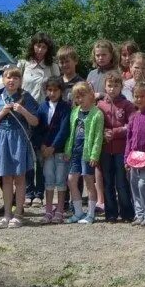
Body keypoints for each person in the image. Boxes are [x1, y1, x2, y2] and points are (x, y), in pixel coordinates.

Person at [0, 66, 37, 228]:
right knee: (6, 178)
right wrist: (2, 112)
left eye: (16, 78)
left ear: (20, 81)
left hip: (18, 138)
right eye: (9, 77)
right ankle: (7, 213)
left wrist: (23, 111)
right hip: (2, 139)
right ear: (3, 80)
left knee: (20, 178)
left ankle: (18, 213)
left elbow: (35, 122)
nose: (12, 80)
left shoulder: (26, 97)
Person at [20, 34, 56, 204]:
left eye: (44, 47)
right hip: (25, 113)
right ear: (32, 46)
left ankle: (40, 193)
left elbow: (57, 88)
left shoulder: (52, 67)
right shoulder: (23, 65)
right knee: (26, 153)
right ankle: (28, 191)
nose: (40, 50)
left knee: (41, 154)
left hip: (44, 114)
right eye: (37, 46)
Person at [65, 81, 105, 224]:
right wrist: (67, 150)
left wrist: (94, 154)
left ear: (91, 95)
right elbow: (71, 132)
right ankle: (78, 212)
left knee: (89, 181)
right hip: (75, 150)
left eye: (83, 95)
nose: (80, 99)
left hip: (87, 152)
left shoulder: (97, 114)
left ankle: (91, 213)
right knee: (71, 180)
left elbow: (98, 137)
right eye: (77, 97)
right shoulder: (75, 111)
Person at [98, 70, 134, 222]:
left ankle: (127, 213)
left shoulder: (127, 105)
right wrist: (103, 133)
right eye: (109, 85)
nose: (112, 88)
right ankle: (111, 213)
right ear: (105, 87)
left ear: (121, 87)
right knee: (107, 182)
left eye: (116, 85)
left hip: (121, 149)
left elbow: (131, 125)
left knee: (121, 182)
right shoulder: (99, 105)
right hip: (105, 150)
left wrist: (115, 132)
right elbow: (95, 125)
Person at [36, 76, 72, 223]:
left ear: (61, 91)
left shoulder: (65, 107)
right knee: (49, 180)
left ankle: (60, 211)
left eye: (55, 90)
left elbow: (64, 130)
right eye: (49, 90)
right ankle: (48, 210)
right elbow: (37, 128)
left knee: (60, 180)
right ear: (46, 91)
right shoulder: (42, 107)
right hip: (46, 150)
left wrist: (54, 146)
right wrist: (42, 145)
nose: (52, 93)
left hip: (60, 150)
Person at [125, 82, 145, 224]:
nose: (138, 99)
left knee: (144, 185)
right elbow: (129, 138)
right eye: (136, 96)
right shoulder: (133, 116)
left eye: (142, 96)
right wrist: (126, 157)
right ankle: (139, 214)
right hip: (134, 157)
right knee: (134, 184)